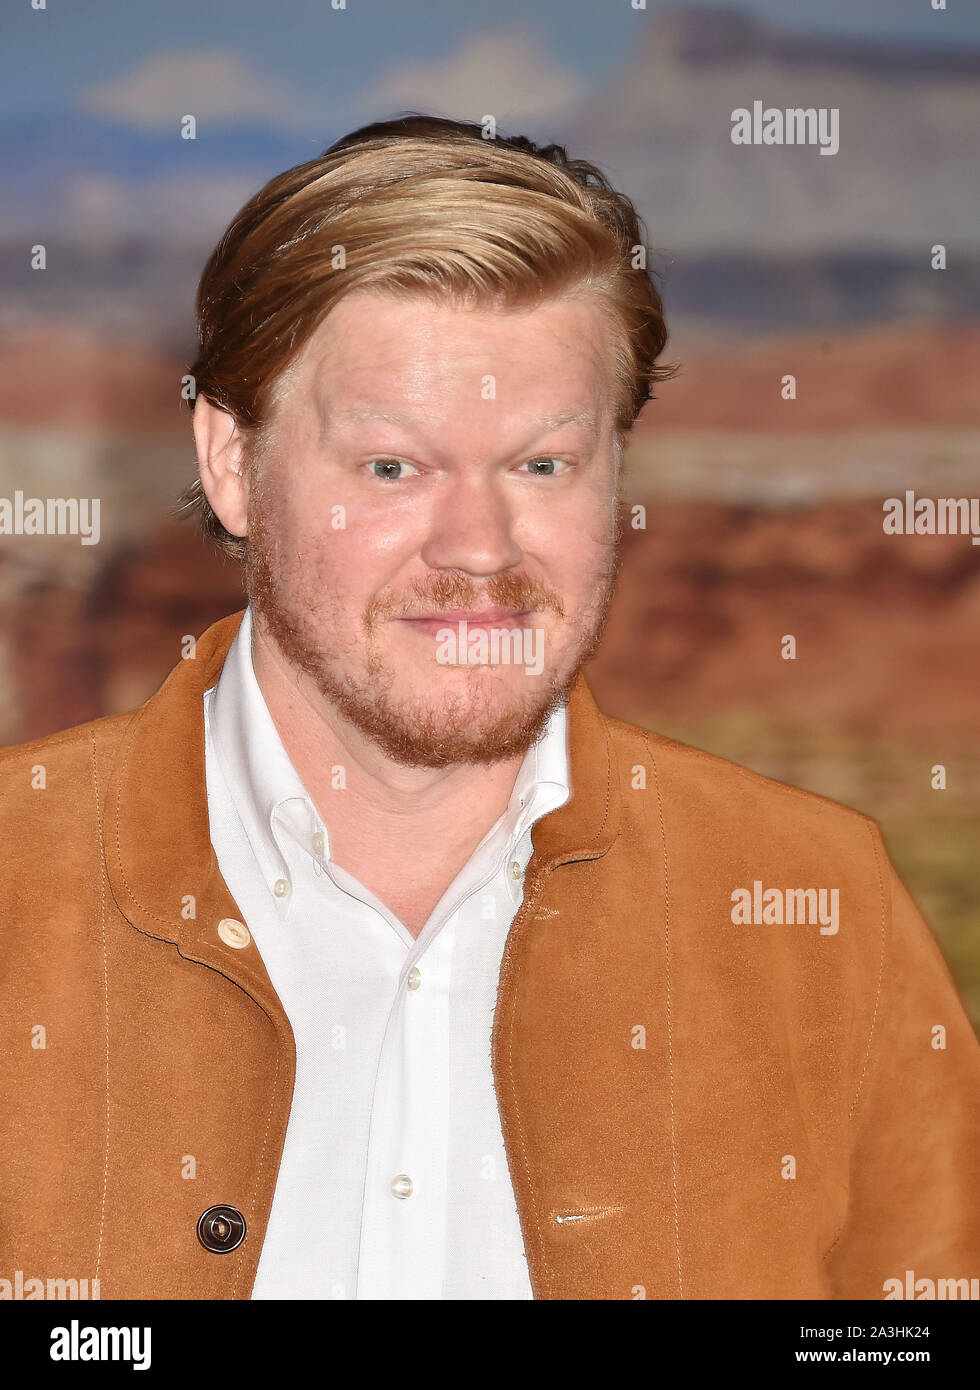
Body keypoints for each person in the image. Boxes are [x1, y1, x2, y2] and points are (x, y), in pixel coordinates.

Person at [1, 116, 977, 1302]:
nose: (478, 548)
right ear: (231, 465)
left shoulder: (821, 910)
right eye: (392, 467)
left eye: (541, 464)